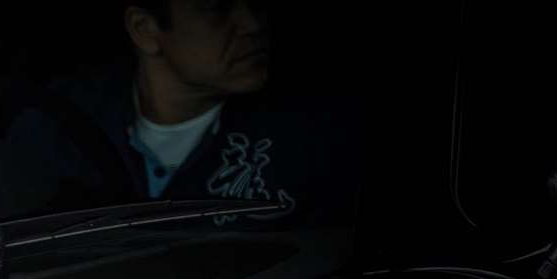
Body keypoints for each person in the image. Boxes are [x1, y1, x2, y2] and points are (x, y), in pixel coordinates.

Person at [27, 0, 356, 225]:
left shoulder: (319, 129)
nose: (253, 25)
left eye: (255, 3)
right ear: (144, 29)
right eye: (216, 8)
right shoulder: (57, 125)